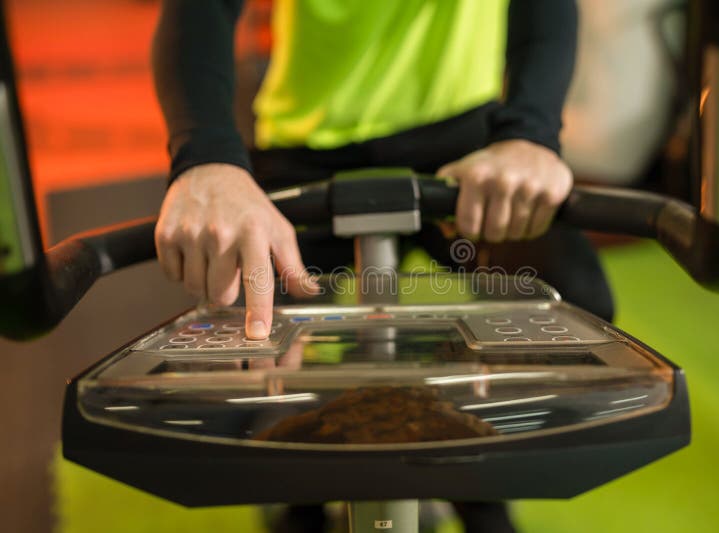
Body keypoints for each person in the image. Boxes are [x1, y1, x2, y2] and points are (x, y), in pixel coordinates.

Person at [151, 1, 613, 531]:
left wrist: (529, 134)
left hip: (461, 135)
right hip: (309, 138)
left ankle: (472, 469)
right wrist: (206, 158)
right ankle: (304, 497)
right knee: (241, 363)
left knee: (579, 317)